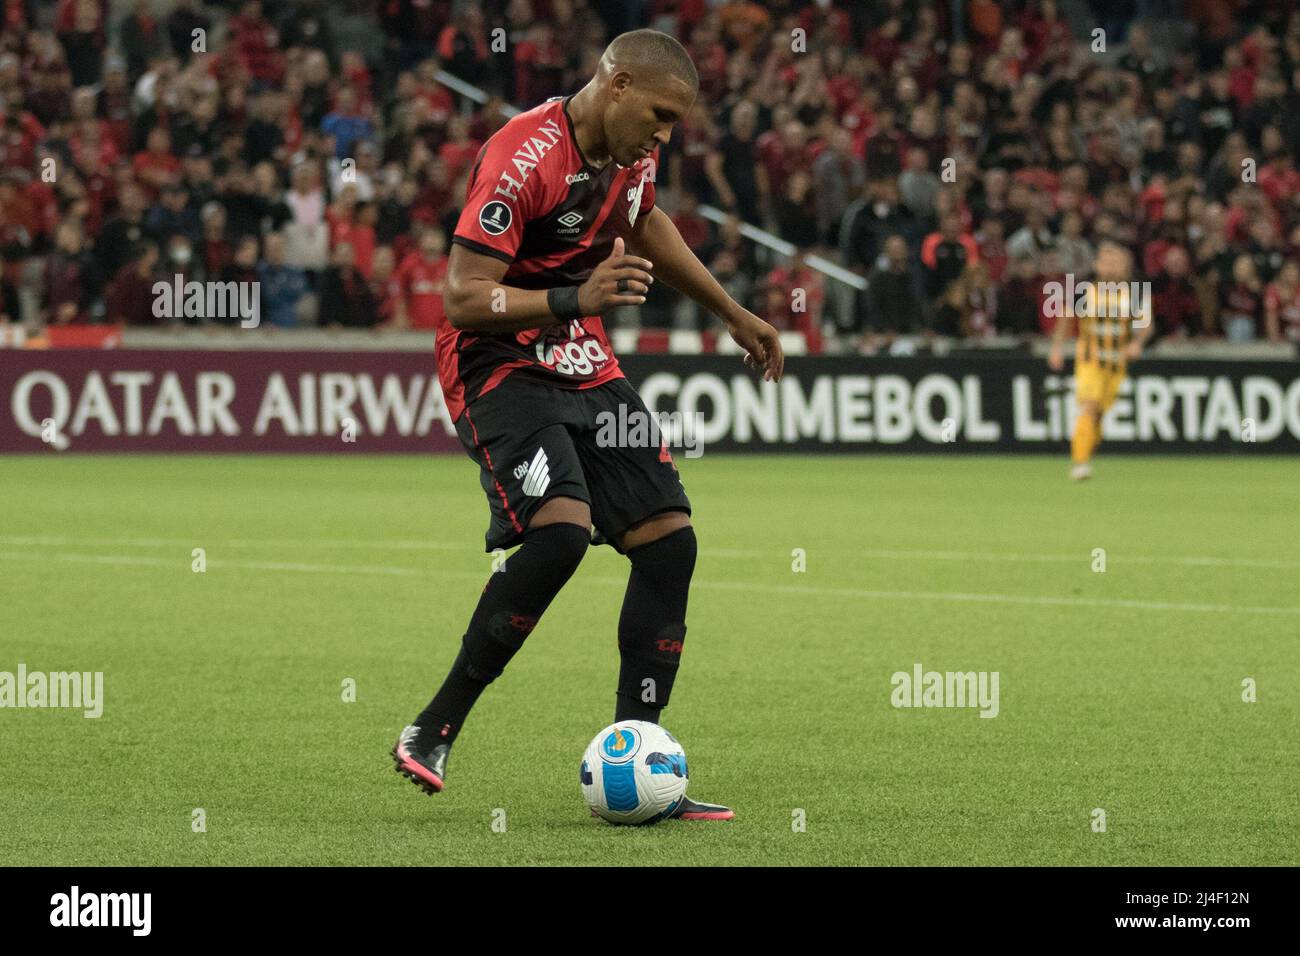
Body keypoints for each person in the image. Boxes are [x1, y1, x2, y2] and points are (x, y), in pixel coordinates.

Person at [392, 29, 783, 821]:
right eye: (661, 114)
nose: (666, 134)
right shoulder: (523, 156)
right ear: (618, 83)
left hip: (581, 359)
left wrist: (733, 313)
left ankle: (638, 763)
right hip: (496, 361)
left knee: (669, 539)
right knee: (561, 531)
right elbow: (462, 297)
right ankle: (433, 726)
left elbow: (645, 224)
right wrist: (575, 299)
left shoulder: (631, 153)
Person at [1048, 242, 1156, 481]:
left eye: (1115, 261)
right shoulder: (1084, 290)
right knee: (1089, 405)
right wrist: (1057, 348)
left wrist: (1137, 343)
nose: (1110, 266)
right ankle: (1079, 462)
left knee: (1098, 413)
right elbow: (1066, 319)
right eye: (1105, 261)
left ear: (1125, 267)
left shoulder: (1136, 293)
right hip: (1090, 360)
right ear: (1096, 264)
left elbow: (1146, 325)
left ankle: (1086, 453)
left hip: (1116, 364)